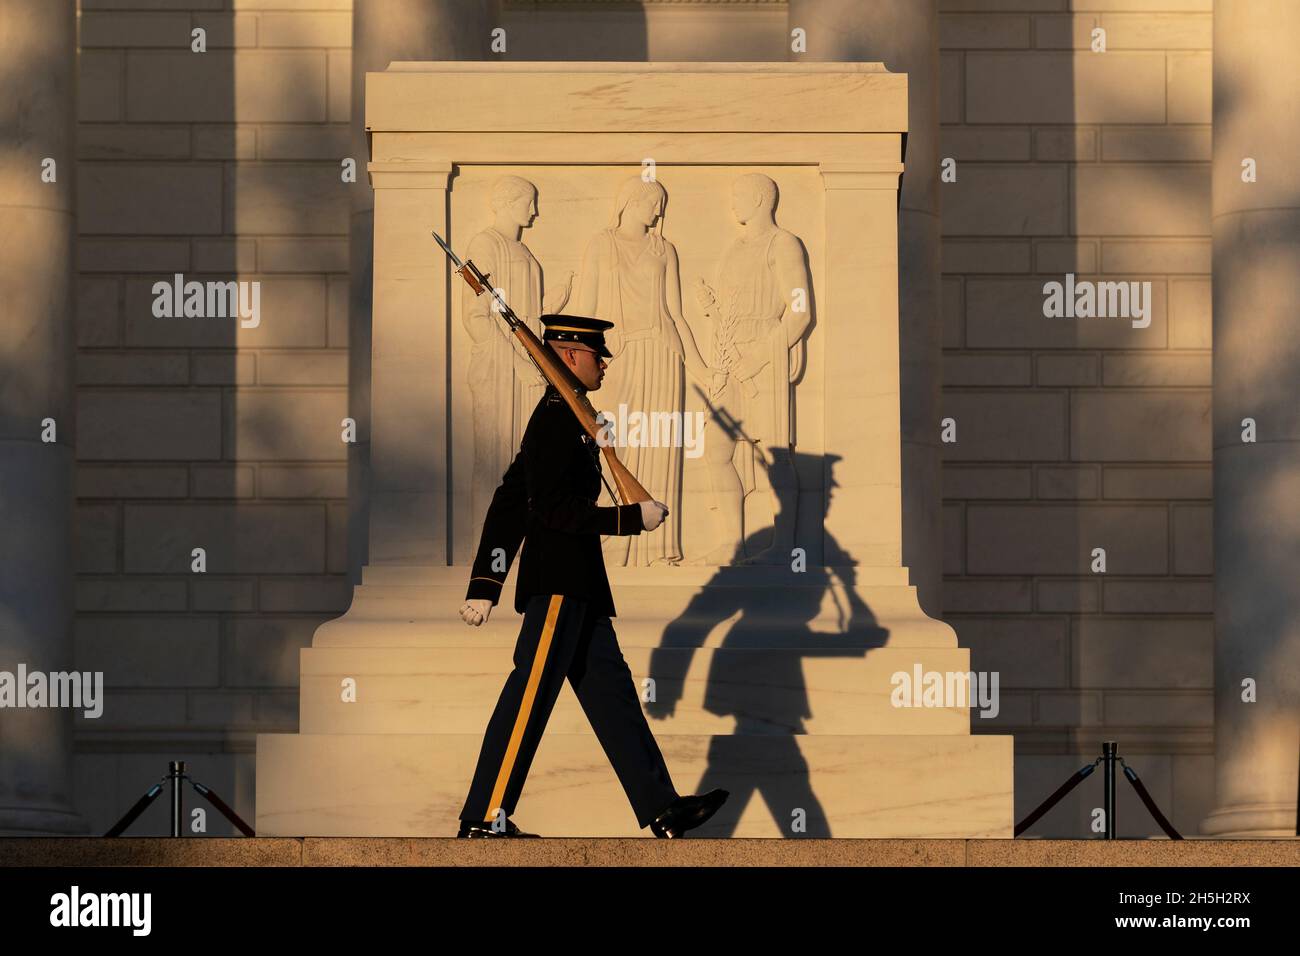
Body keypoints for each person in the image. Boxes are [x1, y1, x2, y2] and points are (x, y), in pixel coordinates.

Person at [456, 313, 729, 838]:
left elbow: (512, 499)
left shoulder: (570, 416)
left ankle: (661, 807)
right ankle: (486, 815)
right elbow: (550, 510)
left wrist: (487, 582)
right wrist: (628, 519)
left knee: (613, 698)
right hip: (559, 581)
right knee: (531, 693)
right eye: (596, 354)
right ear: (569, 356)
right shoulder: (556, 419)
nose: (604, 362)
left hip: (578, 586)